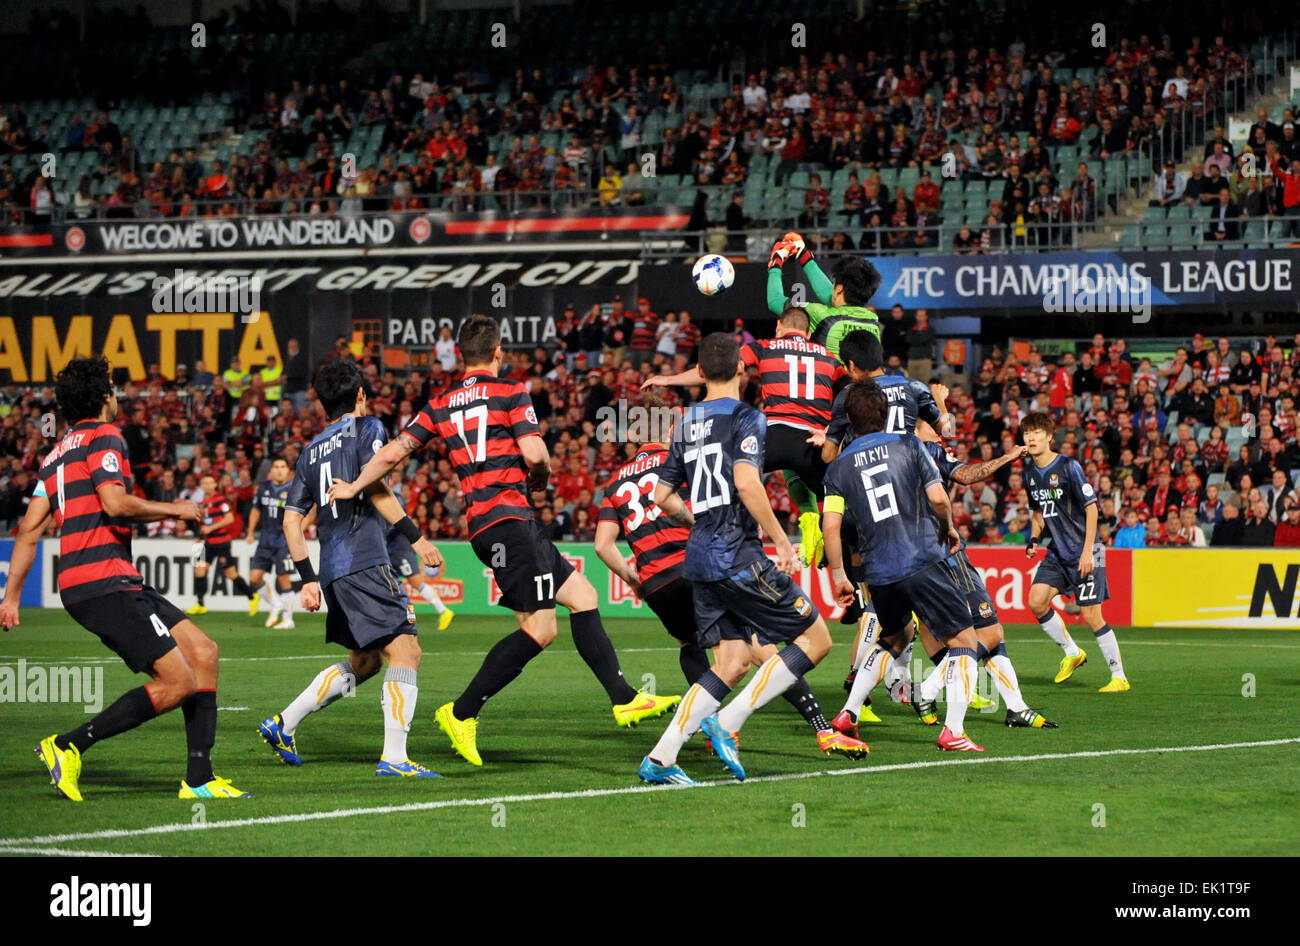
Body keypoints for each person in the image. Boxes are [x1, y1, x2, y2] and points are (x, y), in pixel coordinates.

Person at [330, 314, 678, 767]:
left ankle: (624, 697)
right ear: (498, 353)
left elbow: (394, 452)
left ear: (461, 355)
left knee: (583, 595)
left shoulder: (440, 404)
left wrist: (356, 486)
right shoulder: (510, 392)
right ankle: (462, 712)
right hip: (509, 522)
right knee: (540, 628)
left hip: (493, 524)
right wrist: (540, 476)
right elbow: (535, 454)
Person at [1, 356, 250, 801]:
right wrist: (176, 509)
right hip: (104, 579)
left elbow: (28, 530)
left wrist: (11, 597)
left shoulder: (54, 454)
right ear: (103, 397)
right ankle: (68, 745)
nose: (117, 396)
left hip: (102, 580)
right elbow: (115, 503)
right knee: (179, 682)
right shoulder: (104, 435)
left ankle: (199, 779)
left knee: (204, 652)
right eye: (113, 388)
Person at [638, 333, 867, 785]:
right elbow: (746, 482)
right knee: (817, 640)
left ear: (699, 373)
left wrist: (696, 520)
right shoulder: (748, 417)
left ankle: (660, 760)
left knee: (732, 663)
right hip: (737, 555)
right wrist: (781, 542)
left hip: (700, 557)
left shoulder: (684, 423)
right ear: (743, 371)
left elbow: (662, 494)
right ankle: (728, 723)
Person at [258, 360, 441, 776]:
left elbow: (291, 521)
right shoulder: (367, 428)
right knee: (405, 651)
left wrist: (308, 580)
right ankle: (394, 759)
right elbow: (376, 486)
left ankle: (283, 724)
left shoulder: (308, 452)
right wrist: (417, 538)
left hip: (334, 570)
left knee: (366, 662)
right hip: (365, 560)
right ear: (360, 395)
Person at [823, 380, 987, 751]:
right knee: (965, 640)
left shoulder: (837, 469)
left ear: (849, 419)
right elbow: (939, 498)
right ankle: (954, 731)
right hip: (922, 558)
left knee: (895, 638)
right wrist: (947, 529)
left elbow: (830, 526)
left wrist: (839, 576)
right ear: (885, 414)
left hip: (878, 572)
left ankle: (849, 712)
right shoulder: (909, 444)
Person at [644, 306, 845, 566]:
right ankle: (829, 543)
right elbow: (849, 393)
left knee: (736, 478)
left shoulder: (765, 346)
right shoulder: (829, 357)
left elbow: (720, 368)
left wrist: (668, 380)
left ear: (778, 327)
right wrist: (830, 431)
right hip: (813, 441)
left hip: (773, 436)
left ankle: (747, 527)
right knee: (836, 498)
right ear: (808, 333)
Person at [1022, 411, 1130, 693]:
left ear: (1049, 437)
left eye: (1036, 433)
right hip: (1057, 552)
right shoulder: (1029, 472)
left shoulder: (1069, 467)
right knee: (1036, 601)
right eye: (1026, 433)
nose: (1031, 438)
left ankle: (1119, 677)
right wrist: (1034, 538)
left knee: (1092, 615)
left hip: (1086, 549)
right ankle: (1072, 652)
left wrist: (1087, 553)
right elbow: (1038, 512)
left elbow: (1092, 508)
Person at [765, 231, 882, 358]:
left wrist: (775, 264)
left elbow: (775, 301)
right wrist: (803, 256)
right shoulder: (873, 320)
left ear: (838, 289)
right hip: (863, 378)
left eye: (834, 284)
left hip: (828, 378)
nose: (832, 288)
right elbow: (831, 297)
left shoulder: (820, 314)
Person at [383, 468, 454, 630]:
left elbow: (396, 523)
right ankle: (401, 618)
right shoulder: (385, 497)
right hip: (388, 548)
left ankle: (443, 610)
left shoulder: (396, 499)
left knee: (415, 581)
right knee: (392, 585)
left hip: (400, 548)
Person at [186, 472, 257, 615]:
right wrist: (200, 535)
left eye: (210, 483)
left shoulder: (220, 500)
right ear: (202, 486)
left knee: (230, 574)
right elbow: (205, 522)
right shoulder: (203, 502)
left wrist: (210, 528)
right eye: (205, 483)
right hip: (209, 542)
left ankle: (252, 596)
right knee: (199, 569)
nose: (207, 485)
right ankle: (200, 604)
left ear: (215, 485)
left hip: (222, 542)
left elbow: (229, 518)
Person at [245, 455, 298, 629]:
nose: (279, 469)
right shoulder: (263, 488)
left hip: (284, 539)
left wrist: (296, 533)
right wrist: (250, 532)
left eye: (283, 466)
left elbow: (303, 513)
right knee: (254, 578)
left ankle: (288, 619)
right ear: (271, 471)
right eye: (276, 466)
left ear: (288, 471)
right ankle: (275, 604)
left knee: (284, 579)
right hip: (265, 539)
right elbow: (255, 510)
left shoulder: (293, 489)